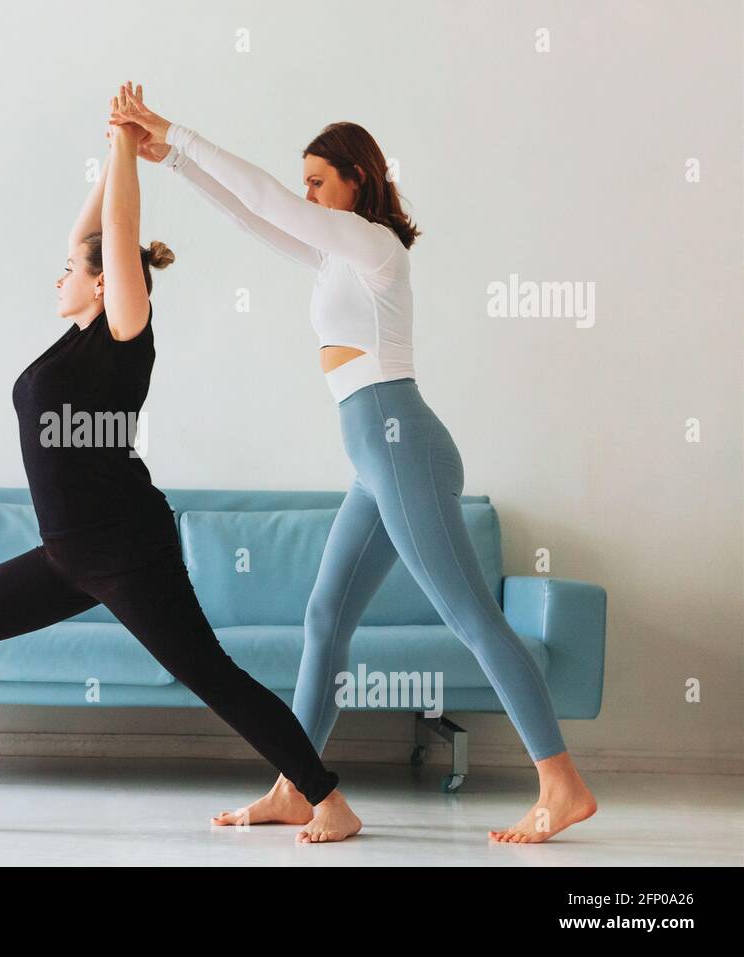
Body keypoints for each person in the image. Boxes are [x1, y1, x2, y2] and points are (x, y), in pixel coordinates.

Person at [0, 85, 361, 843]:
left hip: (126, 550)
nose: (57, 276)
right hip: (67, 555)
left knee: (212, 674)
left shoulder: (125, 328)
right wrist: (108, 143)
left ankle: (327, 797)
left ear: (102, 281)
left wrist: (127, 144)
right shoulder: (78, 330)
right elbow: (92, 227)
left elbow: (117, 228)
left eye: (71, 270)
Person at [109, 82, 597, 843]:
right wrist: (168, 159)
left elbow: (270, 200)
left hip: (401, 443)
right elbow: (251, 213)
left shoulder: (376, 247)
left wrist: (180, 130)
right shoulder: (335, 260)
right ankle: (294, 785)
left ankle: (559, 781)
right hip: (376, 455)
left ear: (356, 180)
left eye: (317, 181)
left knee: (470, 614)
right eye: (303, 180)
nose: (305, 193)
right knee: (325, 616)